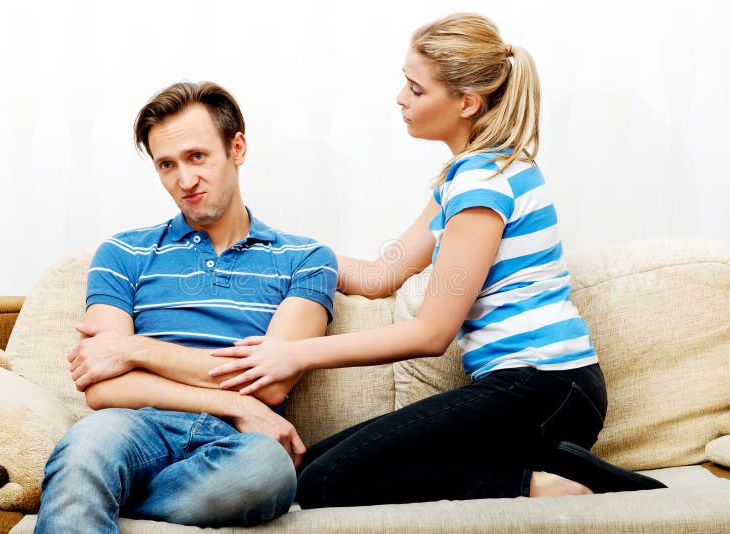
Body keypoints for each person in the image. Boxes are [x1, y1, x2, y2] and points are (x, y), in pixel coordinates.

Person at [208, 13, 667, 507]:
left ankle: (550, 481)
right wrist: (274, 248)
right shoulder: (464, 176)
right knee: (310, 467)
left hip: (547, 389)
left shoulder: (481, 183)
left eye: (416, 89)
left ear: (466, 102)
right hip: (537, 391)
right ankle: (545, 465)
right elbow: (380, 275)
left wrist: (293, 353)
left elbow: (431, 333)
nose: (400, 98)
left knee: (325, 482)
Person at [34, 81, 337, 532]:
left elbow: (267, 385)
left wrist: (135, 351)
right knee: (85, 446)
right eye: (167, 165)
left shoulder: (306, 260)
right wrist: (239, 405)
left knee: (266, 472)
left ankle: (112, 504)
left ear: (237, 148)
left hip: (236, 445)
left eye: (198, 157)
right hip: (135, 430)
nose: (185, 180)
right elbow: (103, 388)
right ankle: (99, 493)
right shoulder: (123, 253)